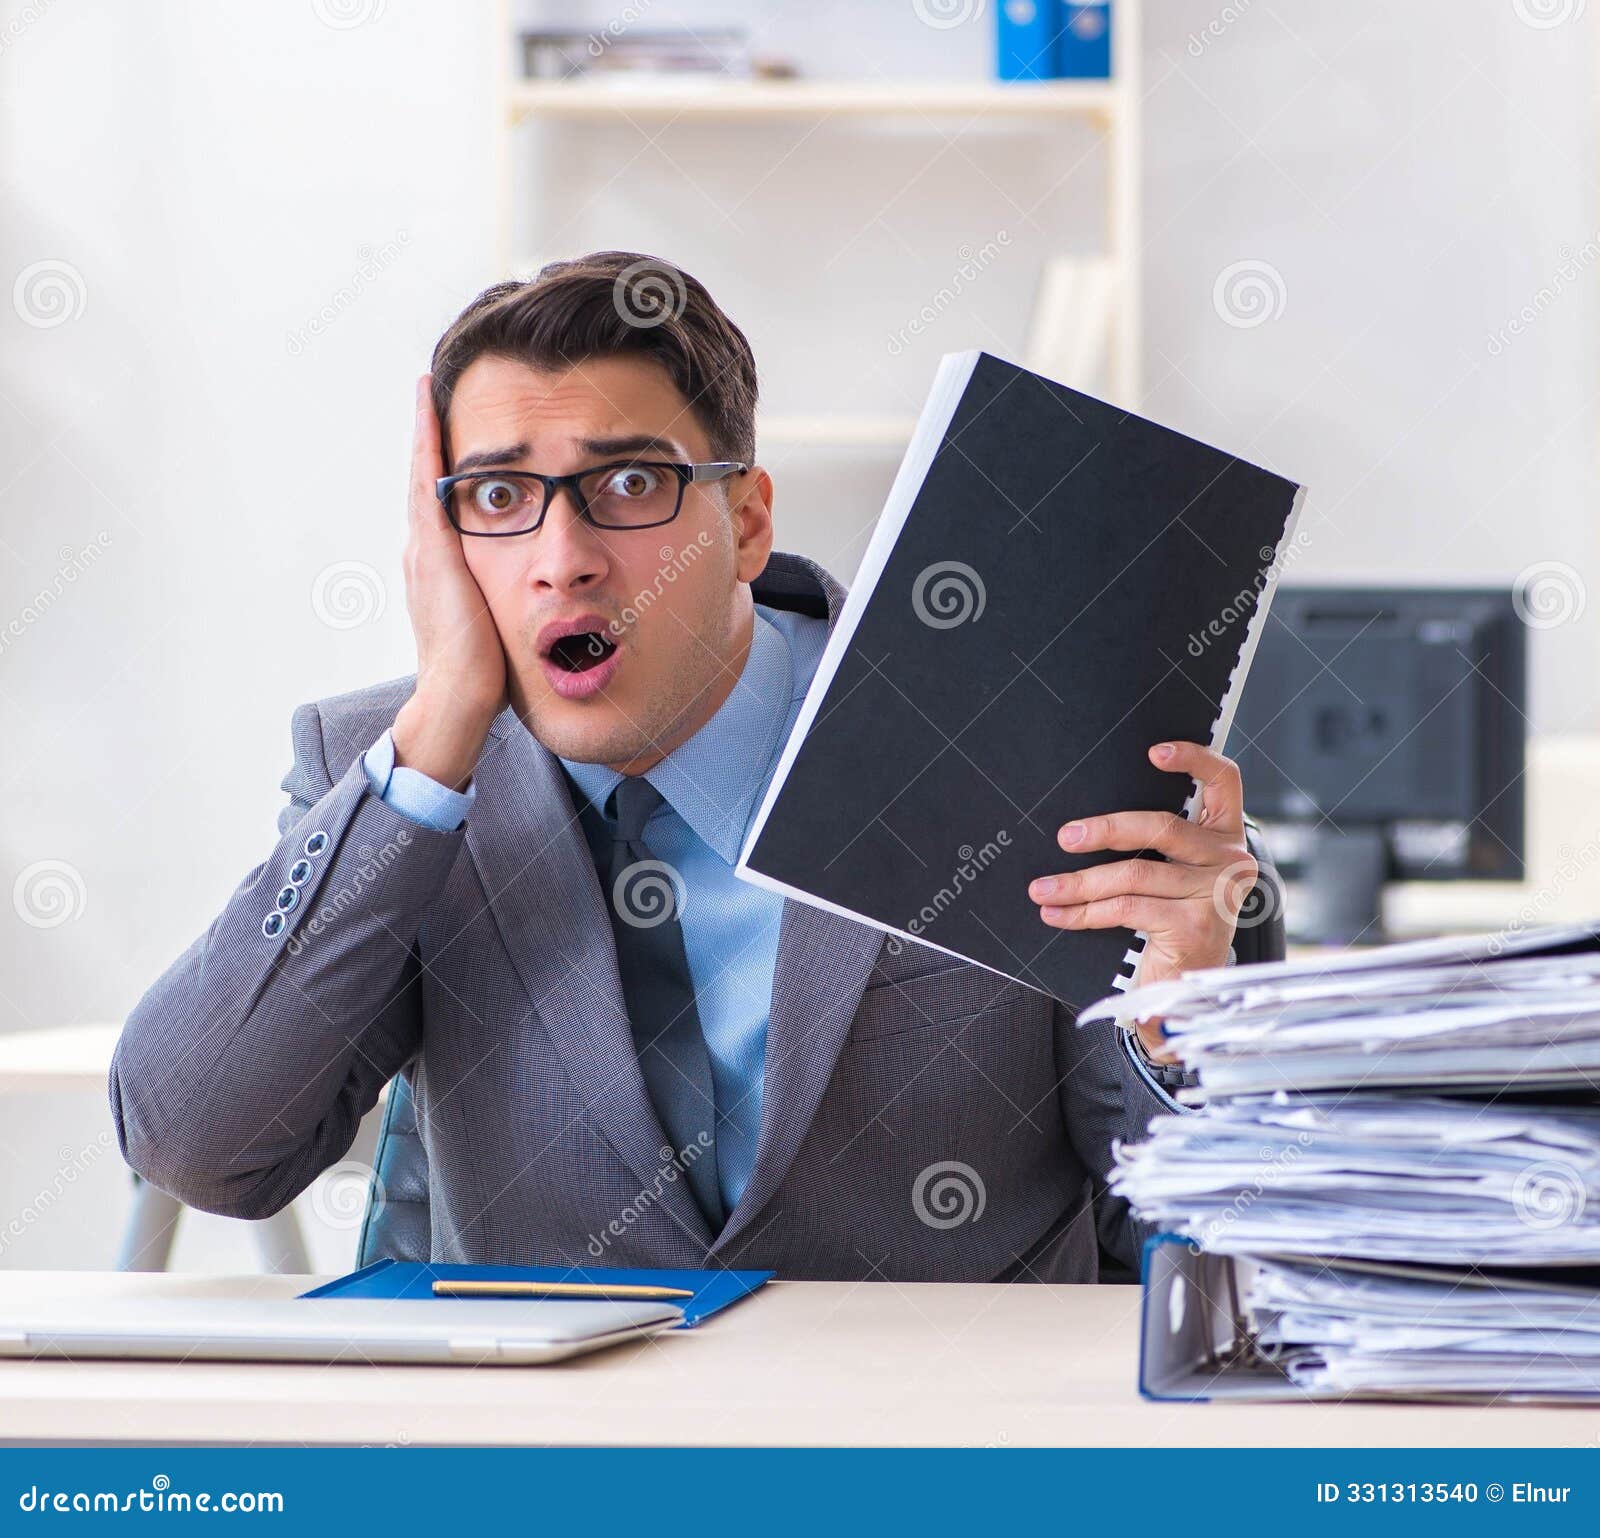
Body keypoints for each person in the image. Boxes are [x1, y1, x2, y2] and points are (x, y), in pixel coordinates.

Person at [109, 251, 1258, 1281]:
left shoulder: (1013, 736)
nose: (563, 560)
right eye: (499, 497)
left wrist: (1187, 1020)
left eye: (627, 484)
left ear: (747, 522)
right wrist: (440, 730)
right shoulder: (394, 777)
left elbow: (1209, 1235)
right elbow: (200, 1145)